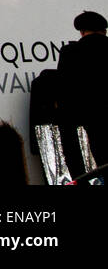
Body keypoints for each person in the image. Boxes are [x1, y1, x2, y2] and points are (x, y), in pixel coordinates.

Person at [56, 9, 108, 168]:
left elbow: (64, 88)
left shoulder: (70, 52)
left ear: (82, 31)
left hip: (93, 119)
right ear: (104, 30)